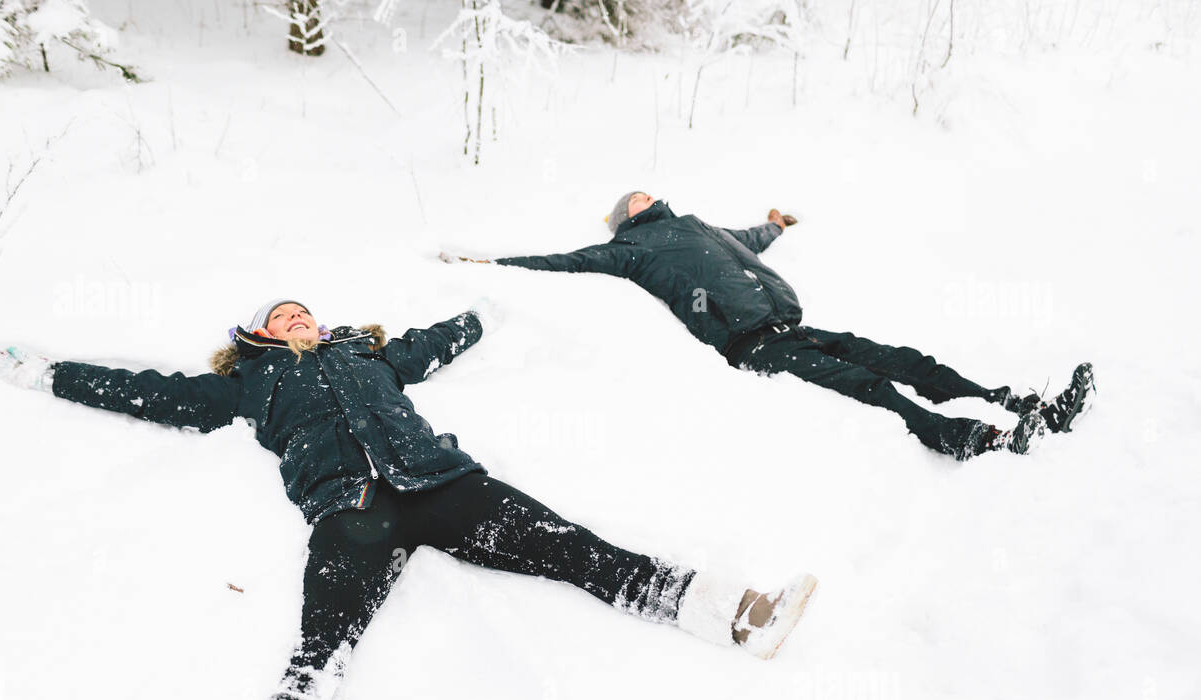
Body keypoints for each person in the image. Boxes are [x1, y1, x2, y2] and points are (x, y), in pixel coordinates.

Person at [0, 298, 818, 700]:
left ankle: (732, 612)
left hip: (442, 482)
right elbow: (150, 393)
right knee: (328, 630)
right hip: (349, 506)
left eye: (305, 315)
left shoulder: (367, 356)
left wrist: (481, 314)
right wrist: (48, 373)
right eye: (282, 319)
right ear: (259, 336)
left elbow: (433, 343)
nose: (298, 321)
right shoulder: (249, 385)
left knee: (570, 547)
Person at [445, 191, 1094, 461]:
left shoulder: (699, 226)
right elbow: (565, 262)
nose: (642, 194)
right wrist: (488, 260)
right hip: (751, 346)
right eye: (633, 198)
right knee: (868, 386)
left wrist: (777, 225)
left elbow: (750, 237)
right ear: (625, 218)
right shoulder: (630, 250)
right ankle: (972, 439)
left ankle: (1019, 404)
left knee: (905, 359)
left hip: (788, 326)